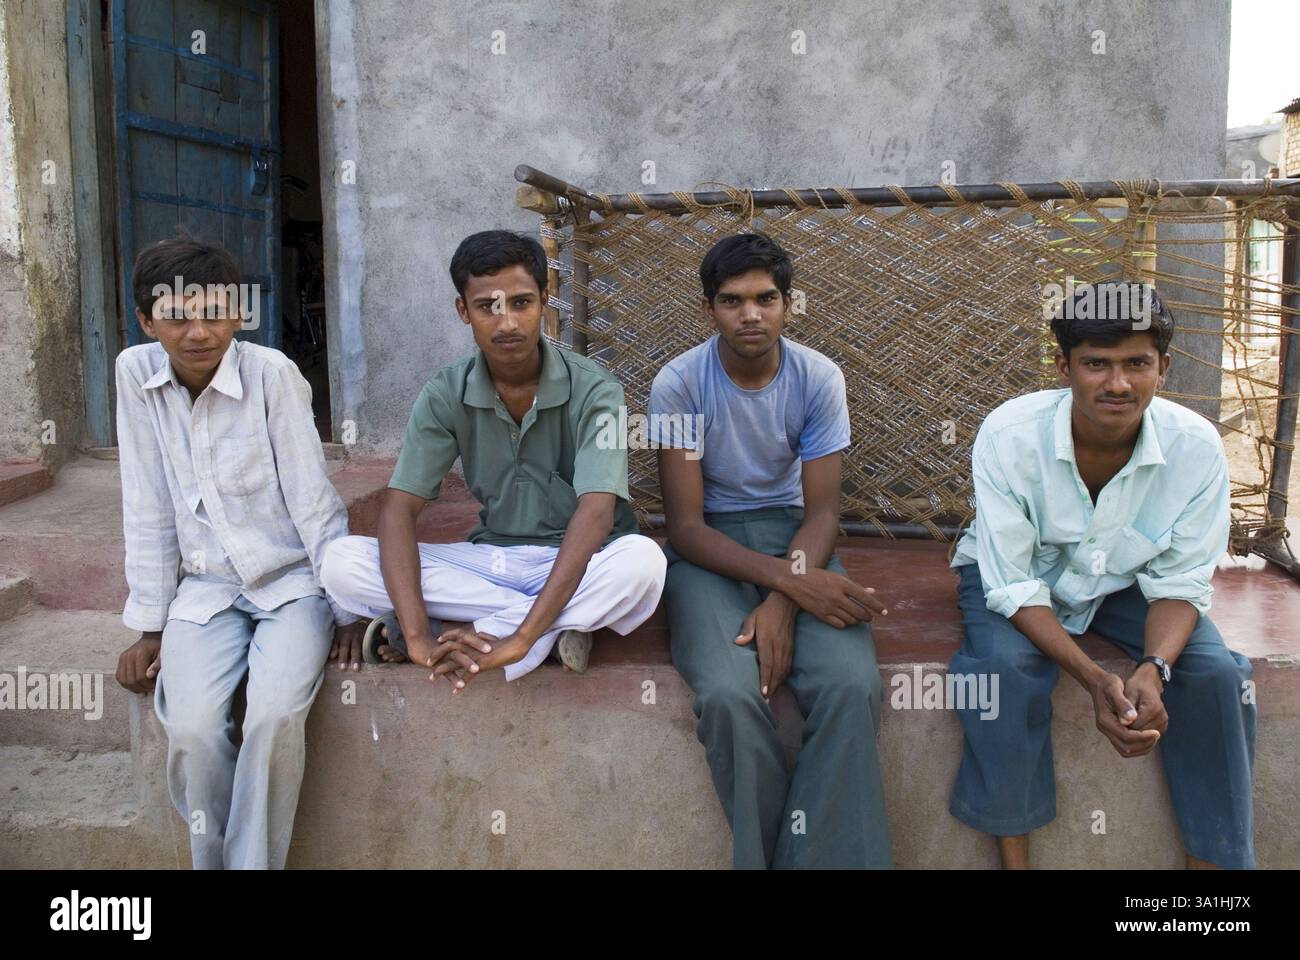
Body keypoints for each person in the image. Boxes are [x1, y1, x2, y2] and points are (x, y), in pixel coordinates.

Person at [948, 280, 1255, 869]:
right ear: (1064, 366)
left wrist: (1154, 668)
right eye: (1096, 364)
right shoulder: (1009, 436)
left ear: (1163, 368)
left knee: (1217, 675)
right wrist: (1093, 679)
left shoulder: (1196, 449)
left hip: (1127, 581)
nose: (1117, 384)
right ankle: (1017, 864)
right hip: (1022, 582)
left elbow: (1180, 582)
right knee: (1001, 672)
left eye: (1137, 363)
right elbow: (1012, 584)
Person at [113, 233, 364, 869]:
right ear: (147, 320)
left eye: (214, 312)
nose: (198, 332)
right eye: (175, 316)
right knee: (193, 728)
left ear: (239, 313)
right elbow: (146, 502)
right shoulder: (135, 373)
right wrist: (149, 622)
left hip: (291, 582)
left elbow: (313, 499)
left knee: (275, 718)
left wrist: (346, 608)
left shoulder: (271, 374)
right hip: (204, 590)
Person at [321, 230, 665, 688]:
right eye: (488, 307)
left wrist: (520, 638)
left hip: (582, 558)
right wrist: (418, 634)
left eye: (522, 303)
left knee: (642, 564)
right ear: (463, 311)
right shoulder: (446, 392)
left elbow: (598, 510)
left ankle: (486, 633)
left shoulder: (597, 390)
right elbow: (400, 509)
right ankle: (557, 628)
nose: (507, 324)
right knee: (341, 563)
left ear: (546, 299)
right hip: (490, 560)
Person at [649, 232, 892, 869]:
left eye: (766, 298)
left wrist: (787, 592)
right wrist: (788, 583)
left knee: (851, 684)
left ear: (788, 304)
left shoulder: (818, 377)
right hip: (711, 551)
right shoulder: (677, 383)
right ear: (709, 310)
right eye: (732, 301)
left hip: (797, 539)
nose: (750, 314)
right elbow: (685, 526)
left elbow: (823, 513)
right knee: (729, 696)